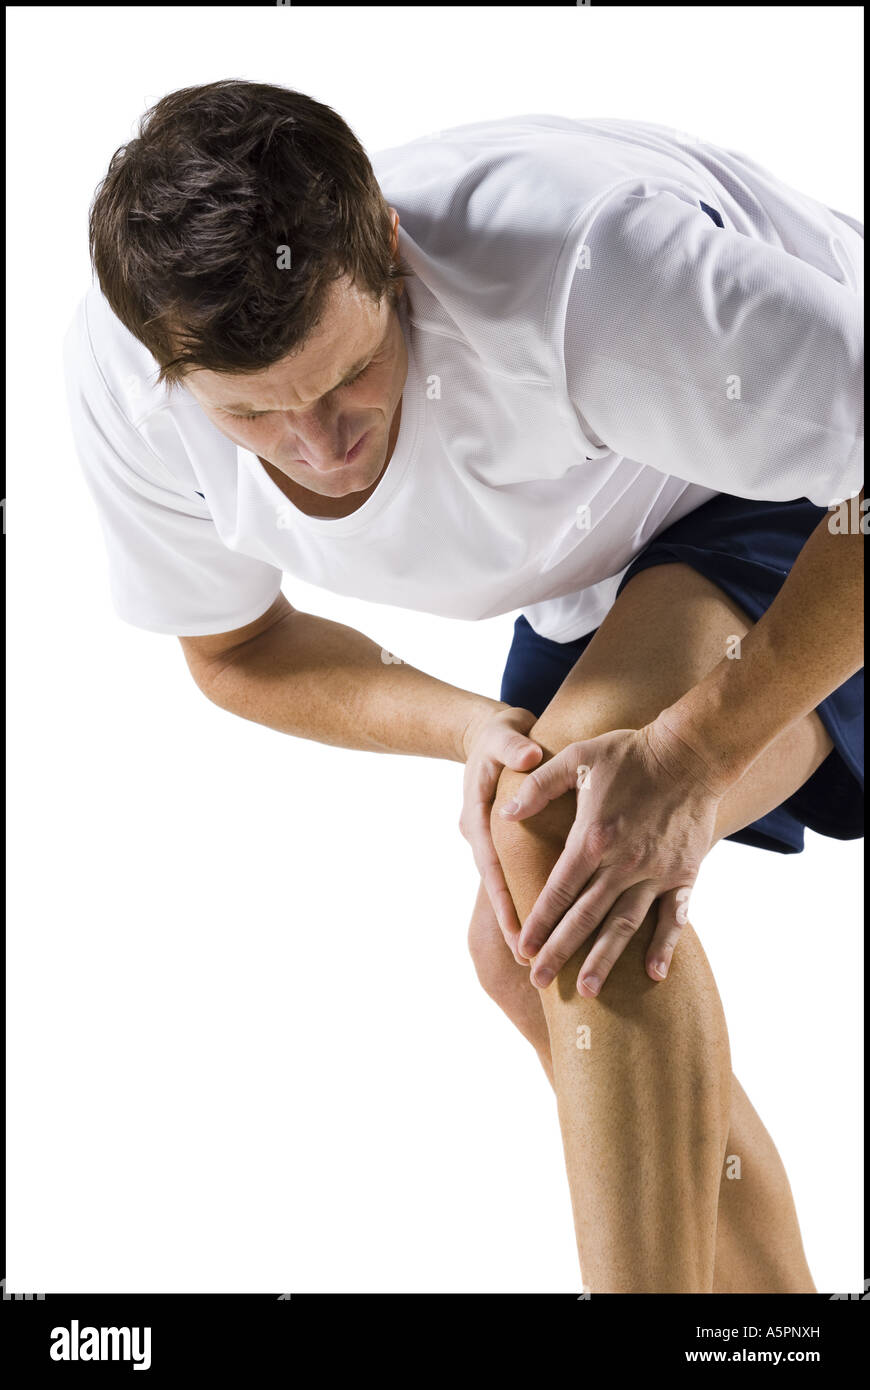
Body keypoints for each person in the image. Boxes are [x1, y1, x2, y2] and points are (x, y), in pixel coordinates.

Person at [64, 80, 864, 1292]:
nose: (319, 448)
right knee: (524, 951)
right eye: (254, 415)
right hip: (626, 536)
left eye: (347, 380)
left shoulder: (592, 272)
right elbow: (235, 649)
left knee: (567, 844)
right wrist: (471, 729)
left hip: (824, 505)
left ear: (390, 247)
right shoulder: (127, 387)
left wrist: (696, 753)